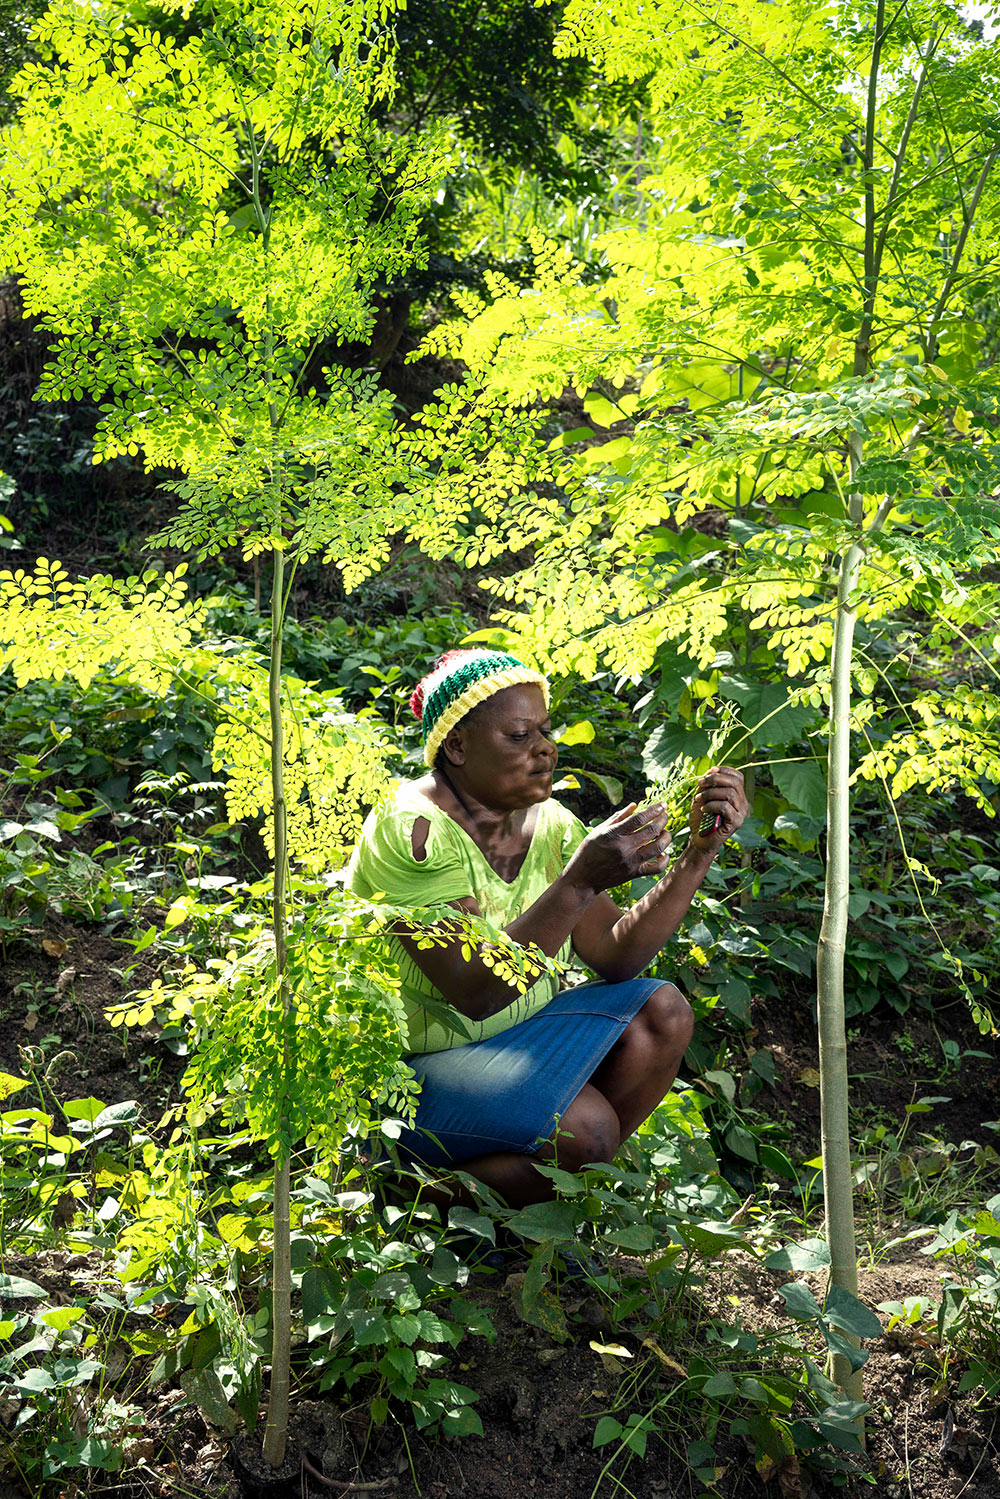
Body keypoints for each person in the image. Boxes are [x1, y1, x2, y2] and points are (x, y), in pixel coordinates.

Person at [346, 648, 748, 1209]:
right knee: (587, 1130)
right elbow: (477, 991)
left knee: (663, 1012)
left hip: (513, 1042)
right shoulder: (411, 829)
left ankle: (534, 1191)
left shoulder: (552, 826)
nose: (545, 749)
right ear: (456, 748)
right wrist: (579, 881)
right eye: (518, 736)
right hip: (412, 1073)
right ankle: (414, 1190)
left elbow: (615, 958)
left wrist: (699, 854)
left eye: (545, 730)